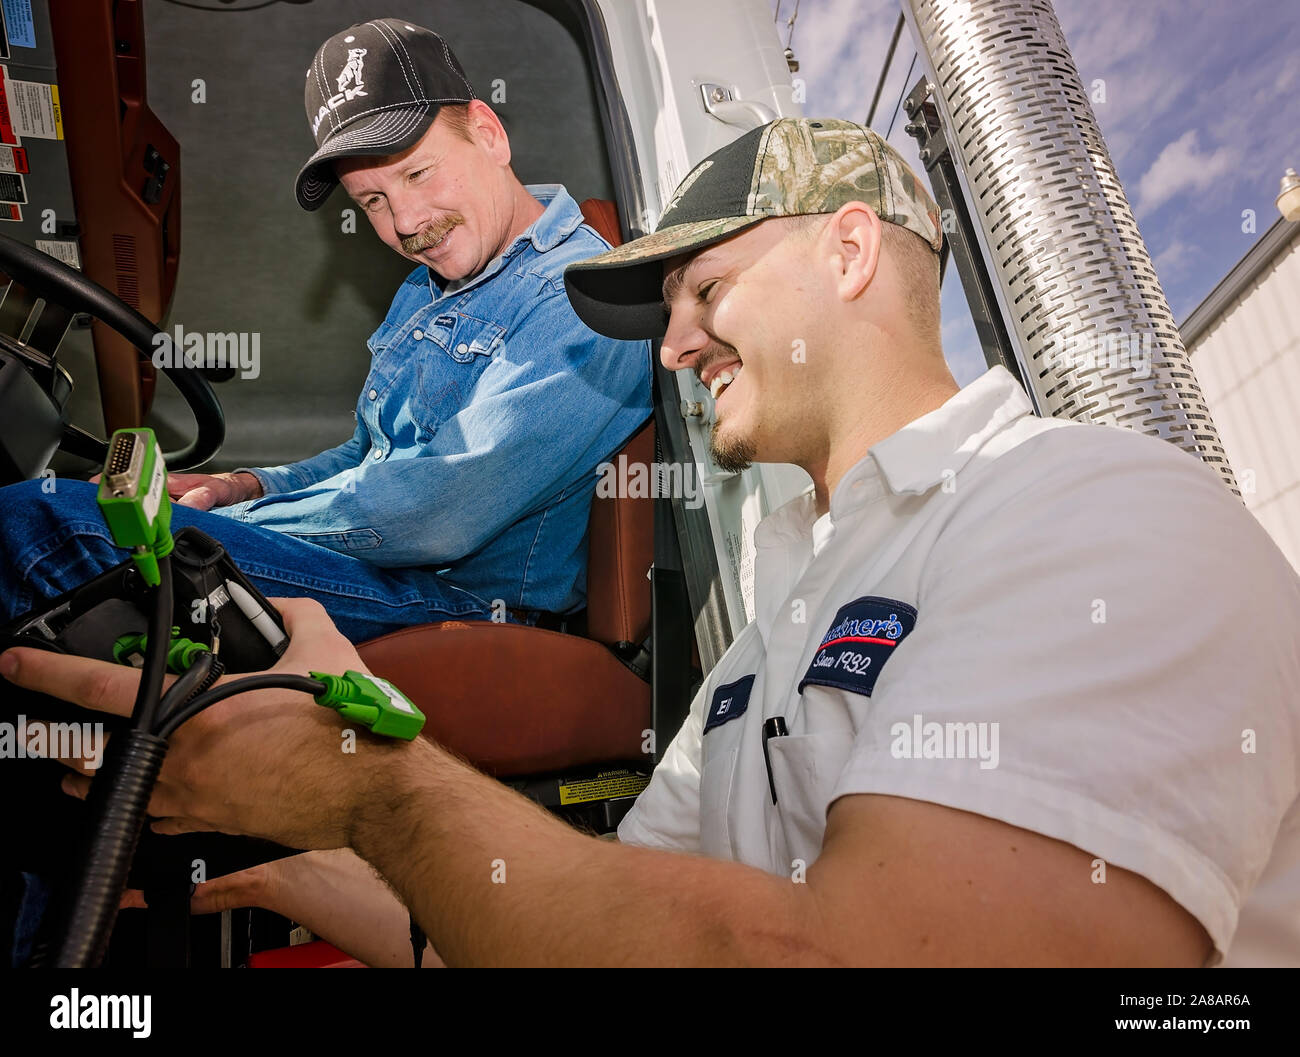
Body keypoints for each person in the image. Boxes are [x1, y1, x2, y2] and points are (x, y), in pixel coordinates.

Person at [8, 118, 1299, 967]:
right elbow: (584, 919)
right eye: (671, 305)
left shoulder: (1092, 513)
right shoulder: (776, 630)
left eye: (707, 290)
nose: (673, 344)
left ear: (852, 251)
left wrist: (368, 782)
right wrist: (283, 862)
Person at [0, 18, 651, 644]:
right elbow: (369, 457)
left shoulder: (579, 299)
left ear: (488, 134)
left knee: (44, 524)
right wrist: (249, 486)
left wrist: (215, 522)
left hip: (469, 608)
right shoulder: (438, 284)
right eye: (371, 201)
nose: (405, 222)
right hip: (395, 571)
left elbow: (430, 514)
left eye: (417, 172)